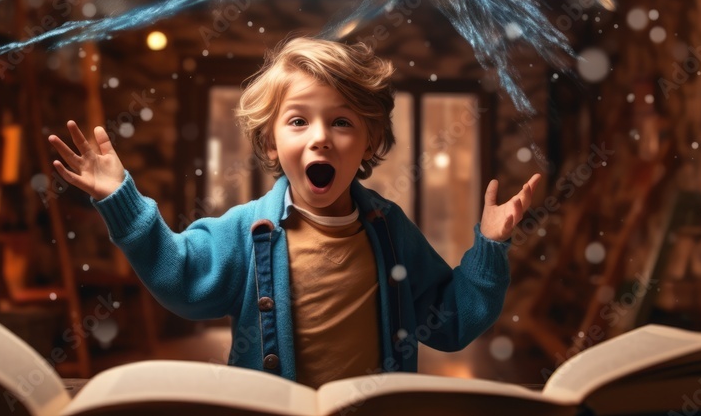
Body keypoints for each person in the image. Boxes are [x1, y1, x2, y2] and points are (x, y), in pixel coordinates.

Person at [48, 37, 540, 388]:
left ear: (369, 140)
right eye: (299, 120)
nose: (320, 137)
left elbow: (450, 321)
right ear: (270, 139)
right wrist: (121, 200)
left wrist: (490, 248)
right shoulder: (246, 229)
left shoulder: (391, 231)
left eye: (342, 121)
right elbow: (180, 276)